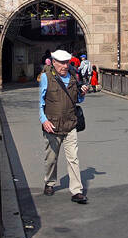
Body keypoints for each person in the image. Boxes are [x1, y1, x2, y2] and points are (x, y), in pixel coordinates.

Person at [39, 49, 91, 204]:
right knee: (51, 158)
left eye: (67, 62)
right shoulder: (46, 77)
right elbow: (41, 102)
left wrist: (83, 93)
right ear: (54, 63)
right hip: (52, 125)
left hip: (70, 124)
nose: (65, 66)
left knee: (73, 158)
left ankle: (76, 191)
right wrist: (44, 120)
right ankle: (49, 182)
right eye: (61, 63)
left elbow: (78, 100)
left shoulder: (74, 77)